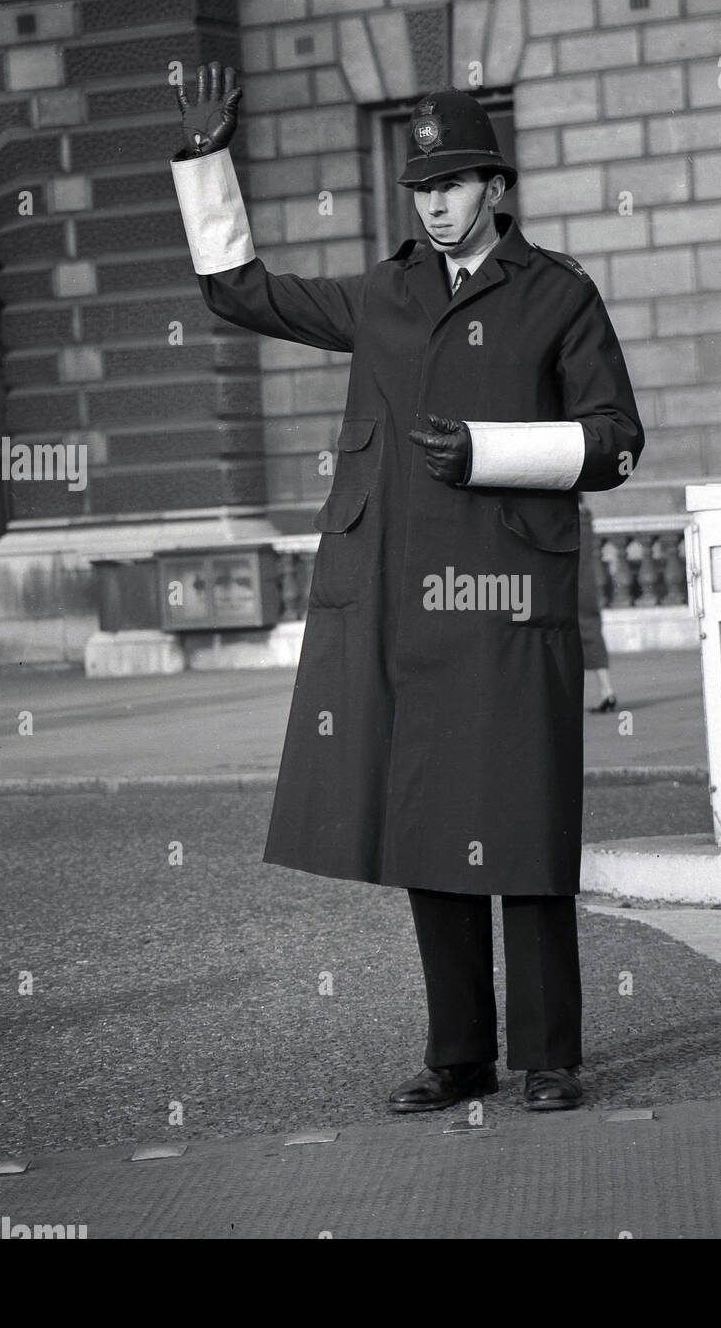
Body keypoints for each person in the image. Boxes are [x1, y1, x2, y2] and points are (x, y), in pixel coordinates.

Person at [171, 65, 643, 1114]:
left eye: (453, 181)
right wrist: (206, 165)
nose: (433, 202)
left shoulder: (558, 292)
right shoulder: (380, 295)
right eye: (419, 185)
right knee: (431, 825)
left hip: (512, 602)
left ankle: (551, 1057)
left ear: (494, 183)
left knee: (519, 826)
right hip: (403, 602)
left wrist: (488, 450)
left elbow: (616, 446)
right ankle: (460, 1053)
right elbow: (238, 292)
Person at [577, 495, 617, 713]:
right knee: (592, 631)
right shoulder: (585, 516)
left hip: (568, 583)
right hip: (588, 585)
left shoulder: (567, 518)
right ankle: (606, 690)